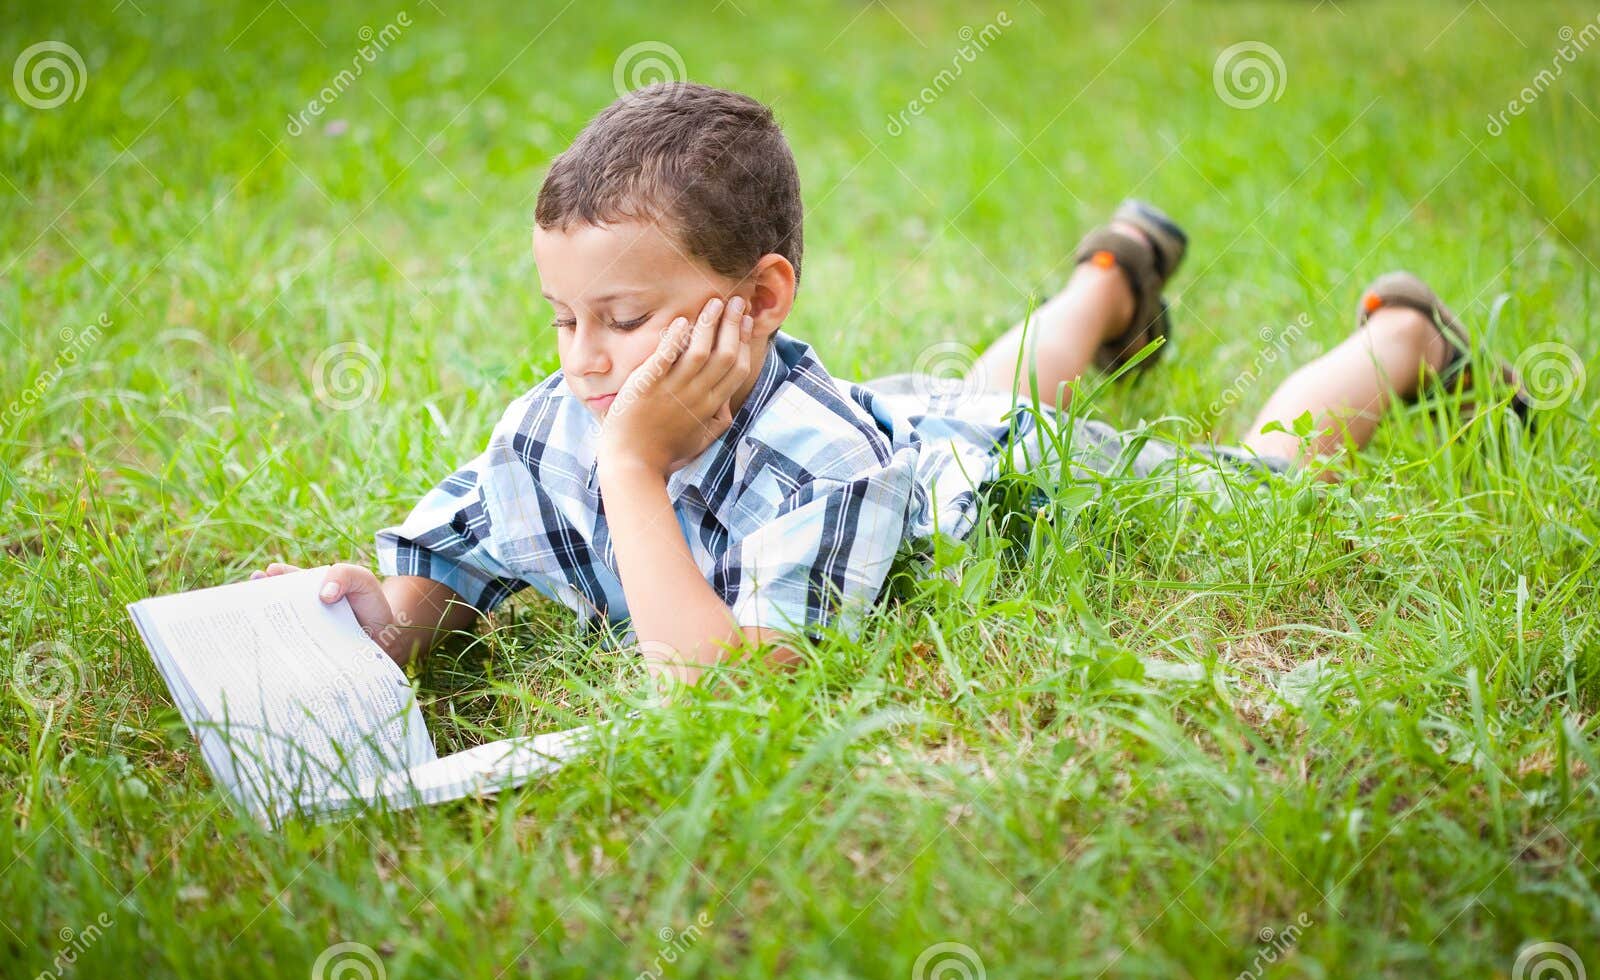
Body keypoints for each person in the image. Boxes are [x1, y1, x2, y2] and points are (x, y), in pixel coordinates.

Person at [250, 82, 1526, 686]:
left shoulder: (815, 460)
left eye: (624, 319)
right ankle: (1109, 280)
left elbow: (722, 691)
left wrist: (635, 470)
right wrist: (364, 619)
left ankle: (1399, 339)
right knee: (987, 386)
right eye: (562, 318)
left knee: (1251, 486)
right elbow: (447, 581)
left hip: (992, 489)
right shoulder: (555, 422)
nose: (583, 361)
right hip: (924, 426)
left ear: (759, 300)